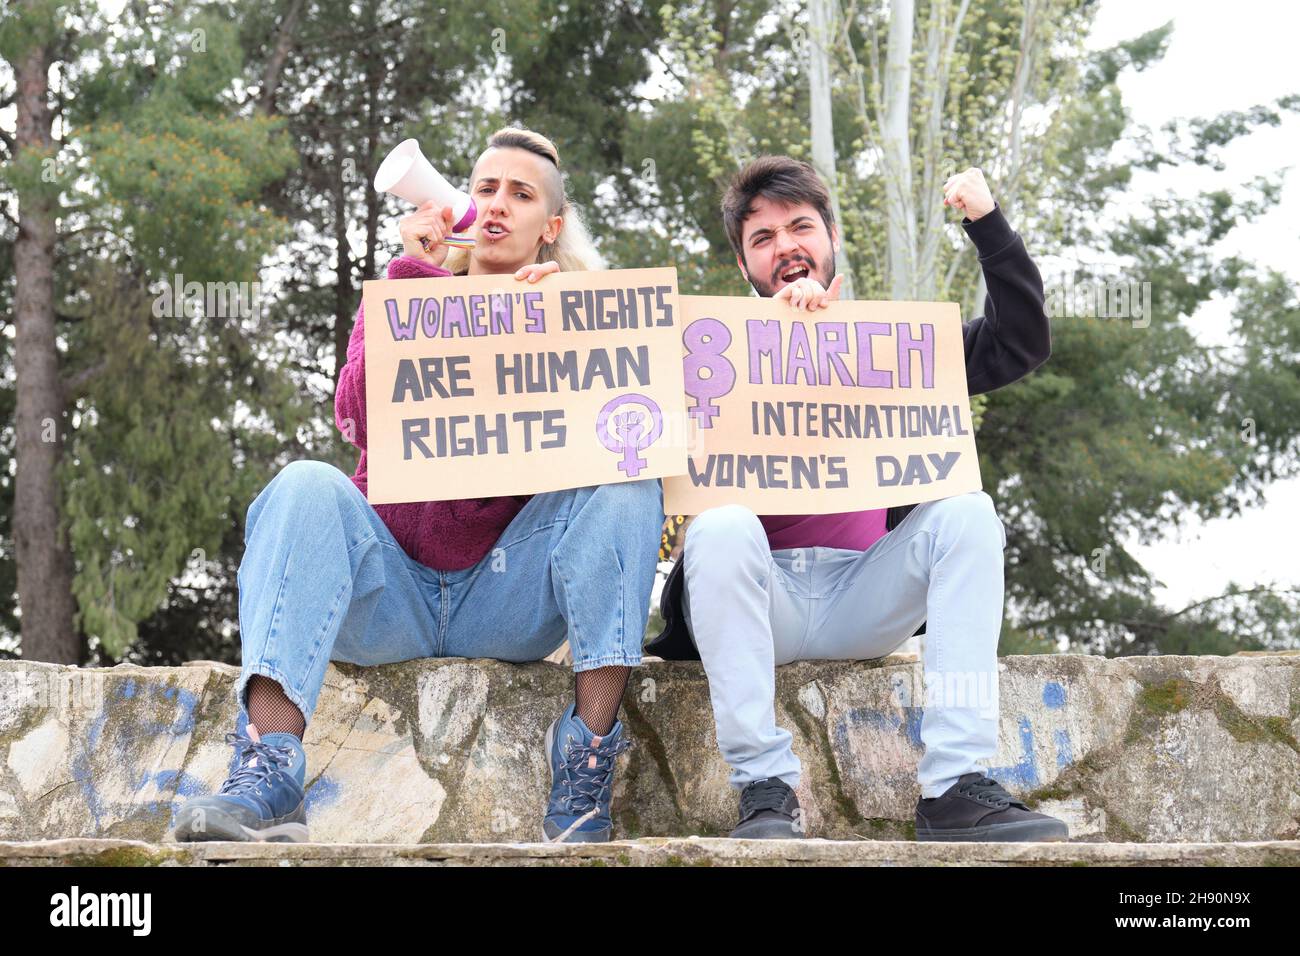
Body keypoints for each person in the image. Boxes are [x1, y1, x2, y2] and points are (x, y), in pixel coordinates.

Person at [174, 126, 664, 844]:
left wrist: (565, 327)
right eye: (484, 188)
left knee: (631, 480)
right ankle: (269, 767)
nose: (496, 204)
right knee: (305, 482)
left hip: (507, 598)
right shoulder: (408, 290)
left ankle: (586, 764)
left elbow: (629, 450)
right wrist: (413, 278)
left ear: (550, 227)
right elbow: (361, 415)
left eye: (520, 195)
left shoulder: (574, 311)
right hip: (390, 595)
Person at [646, 156, 1069, 842]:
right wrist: (768, 346)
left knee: (969, 511)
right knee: (718, 528)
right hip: (760, 601)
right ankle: (764, 790)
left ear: (831, 235)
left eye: (800, 227)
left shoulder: (896, 352)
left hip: (863, 594)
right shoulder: (698, 357)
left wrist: (988, 224)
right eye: (763, 238)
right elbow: (602, 408)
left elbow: (1020, 342)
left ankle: (956, 786)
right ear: (745, 267)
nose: (785, 246)